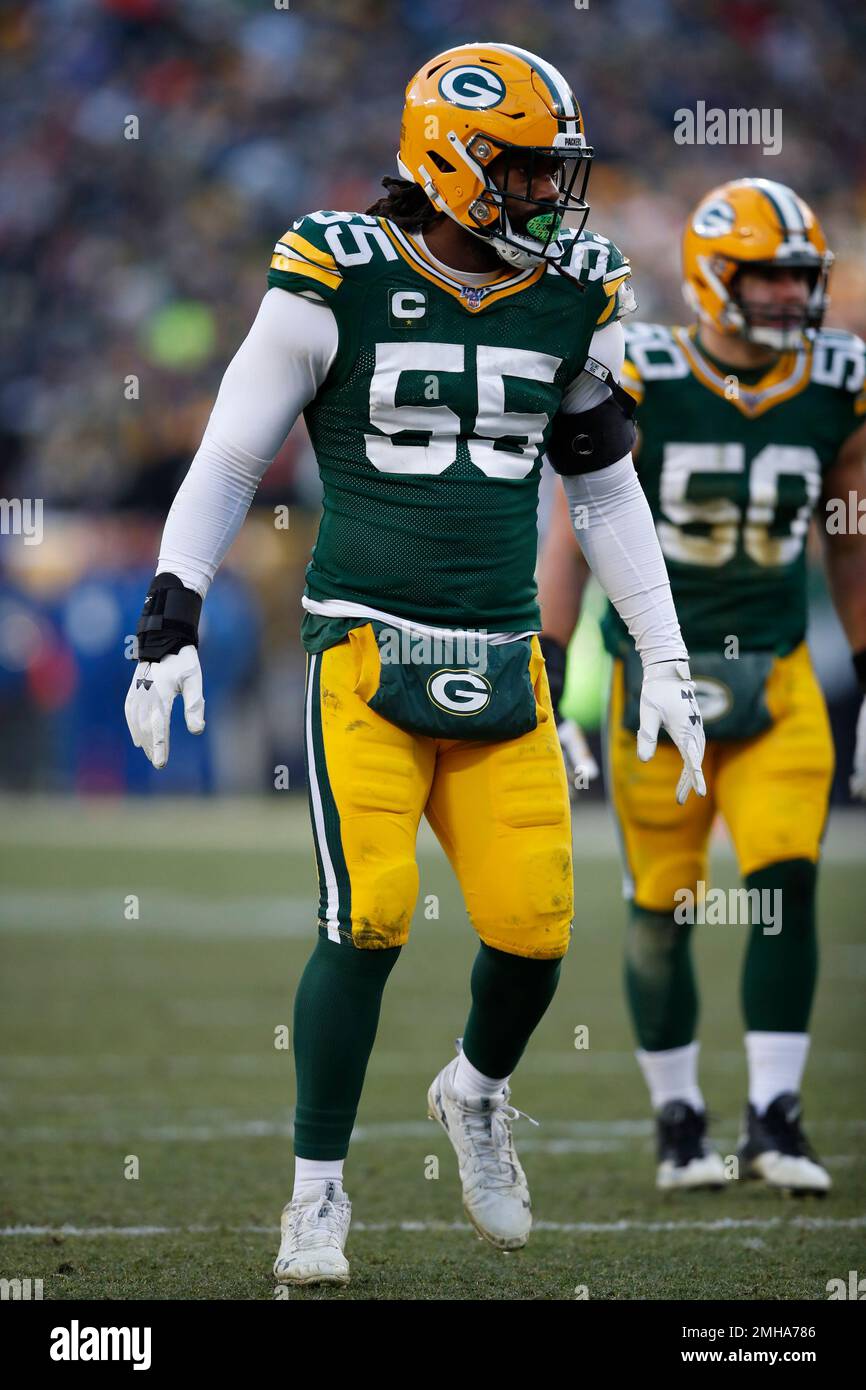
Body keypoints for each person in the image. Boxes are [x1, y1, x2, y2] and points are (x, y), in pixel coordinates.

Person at [124, 43, 704, 1285]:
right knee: (370, 913)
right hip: (360, 650)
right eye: (526, 171)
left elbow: (602, 492)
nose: (553, 196)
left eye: (559, 172)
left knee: (536, 933)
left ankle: (475, 1091)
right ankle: (316, 1195)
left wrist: (659, 651)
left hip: (504, 659)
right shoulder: (332, 272)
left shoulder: (576, 295)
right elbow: (229, 459)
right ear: (452, 159)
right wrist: (171, 614)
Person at [539, 178, 866, 1193]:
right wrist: (548, 670)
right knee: (661, 903)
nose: (783, 297)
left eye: (795, 278)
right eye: (763, 277)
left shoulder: (837, 379)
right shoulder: (638, 367)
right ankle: (678, 1116)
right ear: (709, 277)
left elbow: (849, 542)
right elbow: (575, 531)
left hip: (778, 671)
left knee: (783, 880)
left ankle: (774, 1114)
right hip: (655, 681)